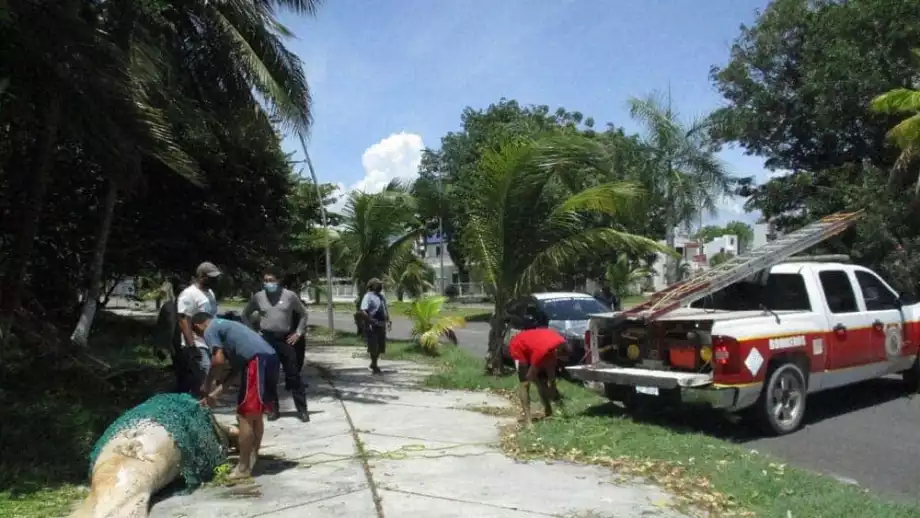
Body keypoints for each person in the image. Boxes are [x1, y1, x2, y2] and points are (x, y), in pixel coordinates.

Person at [192, 312, 279, 480]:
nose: (202, 337)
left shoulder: (210, 329)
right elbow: (235, 372)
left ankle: (243, 467)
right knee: (255, 414)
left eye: (198, 334)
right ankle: (252, 458)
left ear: (198, 326)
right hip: (269, 358)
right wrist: (214, 395)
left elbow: (218, 361)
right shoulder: (229, 329)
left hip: (257, 361)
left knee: (244, 416)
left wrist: (207, 383)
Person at [241, 268, 310, 423]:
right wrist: (253, 332)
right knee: (269, 376)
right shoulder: (259, 297)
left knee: (293, 374)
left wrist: (298, 332)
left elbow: (304, 313)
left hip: (286, 339)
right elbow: (245, 314)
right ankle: (273, 409)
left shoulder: (290, 296)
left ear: (278, 281)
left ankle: (302, 410)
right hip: (267, 339)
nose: (268, 283)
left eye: (271, 280)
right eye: (265, 280)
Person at [507, 310, 571, 427]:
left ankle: (548, 410)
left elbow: (551, 372)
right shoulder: (541, 351)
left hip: (536, 344)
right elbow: (530, 375)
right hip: (519, 346)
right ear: (557, 352)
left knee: (543, 381)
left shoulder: (560, 343)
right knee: (525, 383)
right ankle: (528, 420)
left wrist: (552, 385)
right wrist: (537, 380)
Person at [176, 262, 222, 397]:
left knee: (209, 376)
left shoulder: (210, 293)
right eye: (212, 277)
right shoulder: (189, 294)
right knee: (206, 375)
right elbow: (183, 320)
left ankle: (201, 401)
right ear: (201, 276)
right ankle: (204, 402)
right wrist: (192, 346)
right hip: (197, 344)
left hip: (210, 341)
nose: (215, 280)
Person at [357, 278, 391, 374]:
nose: (380, 286)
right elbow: (363, 310)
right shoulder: (368, 296)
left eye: (381, 285)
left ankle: (374, 363)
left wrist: (388, 320)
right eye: (378, 285)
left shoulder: (381, 296)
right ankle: (374, 364)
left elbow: (385, 308)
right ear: (372, 286)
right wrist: (369, 320)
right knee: (373, 345)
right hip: (372, 325)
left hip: (381, 324)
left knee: (381, 345)